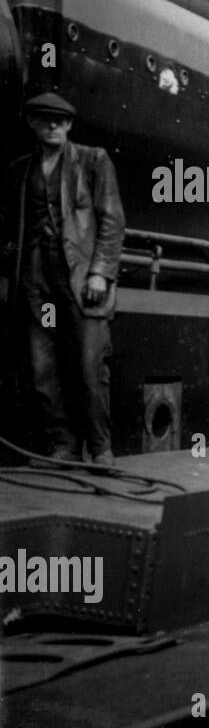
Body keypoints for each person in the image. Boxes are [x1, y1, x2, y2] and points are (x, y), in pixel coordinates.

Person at [1, 93, 124, 466]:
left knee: (88, 364)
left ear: (69, 125)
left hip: (80, 281)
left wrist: (100, 273)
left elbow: (111, 220)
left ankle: (100, 447)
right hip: (40, 285)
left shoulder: (92, 161)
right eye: (45, 119)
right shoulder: (20, 170)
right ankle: (64, 446)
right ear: (32, 124)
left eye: (60, 121)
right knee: (45, 365)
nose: (53, 126)